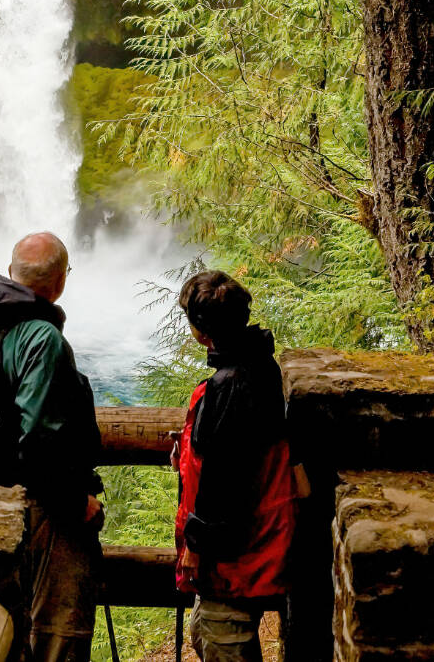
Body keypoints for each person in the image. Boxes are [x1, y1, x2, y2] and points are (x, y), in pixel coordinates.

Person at [0, 231, 104, 662]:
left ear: (13, 273)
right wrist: (78, 502)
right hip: (43, 507)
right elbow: (39, 438)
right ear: (59, 283)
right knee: (59, 627)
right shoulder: (42, 338)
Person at [170, 270, 297, 662]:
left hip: (233, 558)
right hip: (250, 545)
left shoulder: (232, 385)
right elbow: (232, 455)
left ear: (201, 331)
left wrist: (196, 547)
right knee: (208, 632)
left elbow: (228, 477)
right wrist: (188, 457)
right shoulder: (258, 365)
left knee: (222, 636)